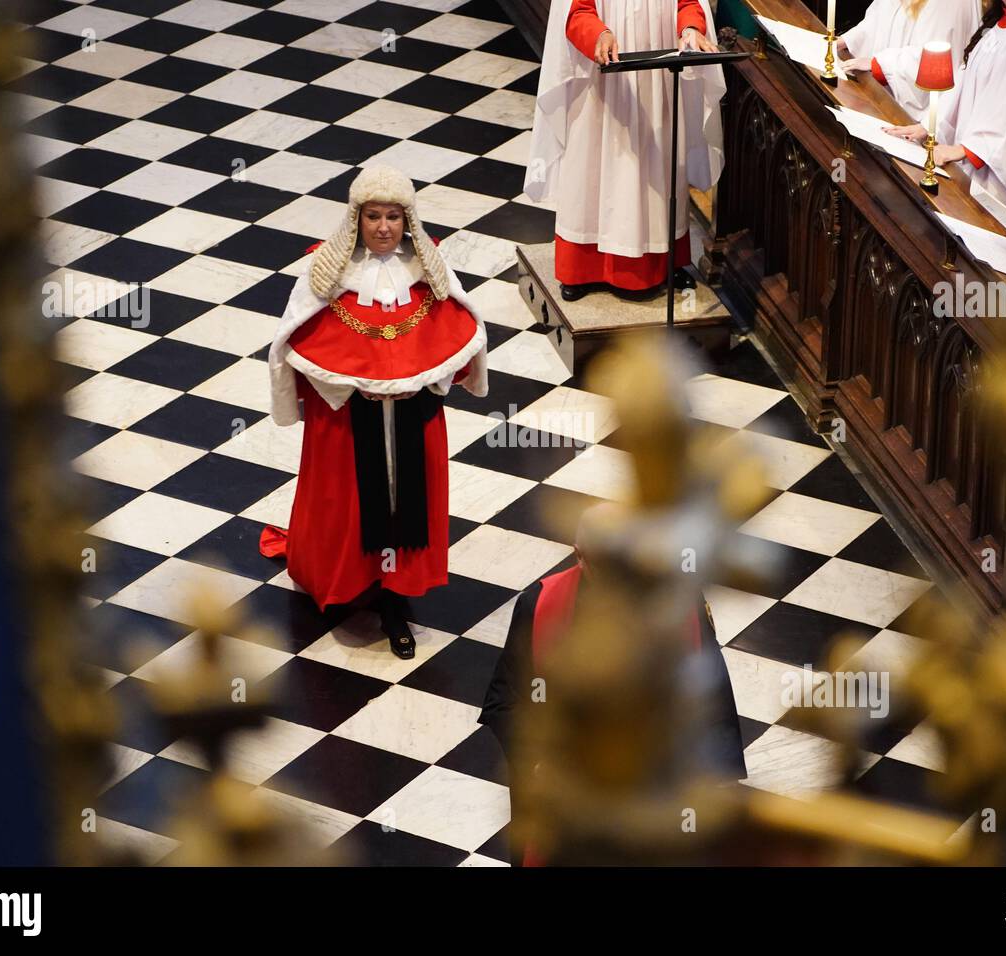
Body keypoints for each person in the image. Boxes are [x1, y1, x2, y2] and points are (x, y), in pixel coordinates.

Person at [261, 165, 488, 659]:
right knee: (345, 502)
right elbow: (293, 342)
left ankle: (394, 596)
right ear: (356, 219)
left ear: (407, 220)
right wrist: (348, 386)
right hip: (346, 418)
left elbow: (459, 335)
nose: (383, 227)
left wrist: (427, 381)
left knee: (403, 502)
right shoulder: (326, 271)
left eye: (392, 216)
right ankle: (341, 582)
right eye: (372, 217)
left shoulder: (429, 270)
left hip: (414, 414)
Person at [479, 503, 747, 866]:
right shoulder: (538, 606)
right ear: (580, 556)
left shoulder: (680, 608)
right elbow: (502, 700)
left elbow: (713, 700)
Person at [525, 0, 726, 302]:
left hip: (657, 81)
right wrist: (598, 34)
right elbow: (576, 11)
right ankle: (583, 269)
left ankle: (664, 263)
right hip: (601, 82)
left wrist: (690, 29)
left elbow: (688, 3)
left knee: (659, 169)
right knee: (593, 169)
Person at [884, 0, 1006, 233]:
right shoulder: (1000, 22)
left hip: (999, 177)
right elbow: (966, 87)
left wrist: (966, 150)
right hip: (974, 163)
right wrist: (928, 126)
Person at [837, 0, 983, 121]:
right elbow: (881, 16)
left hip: (915, 115)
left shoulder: (952, 4)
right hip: (877, 92)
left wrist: (879, 64)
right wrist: (847, 39)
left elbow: (935, 57)